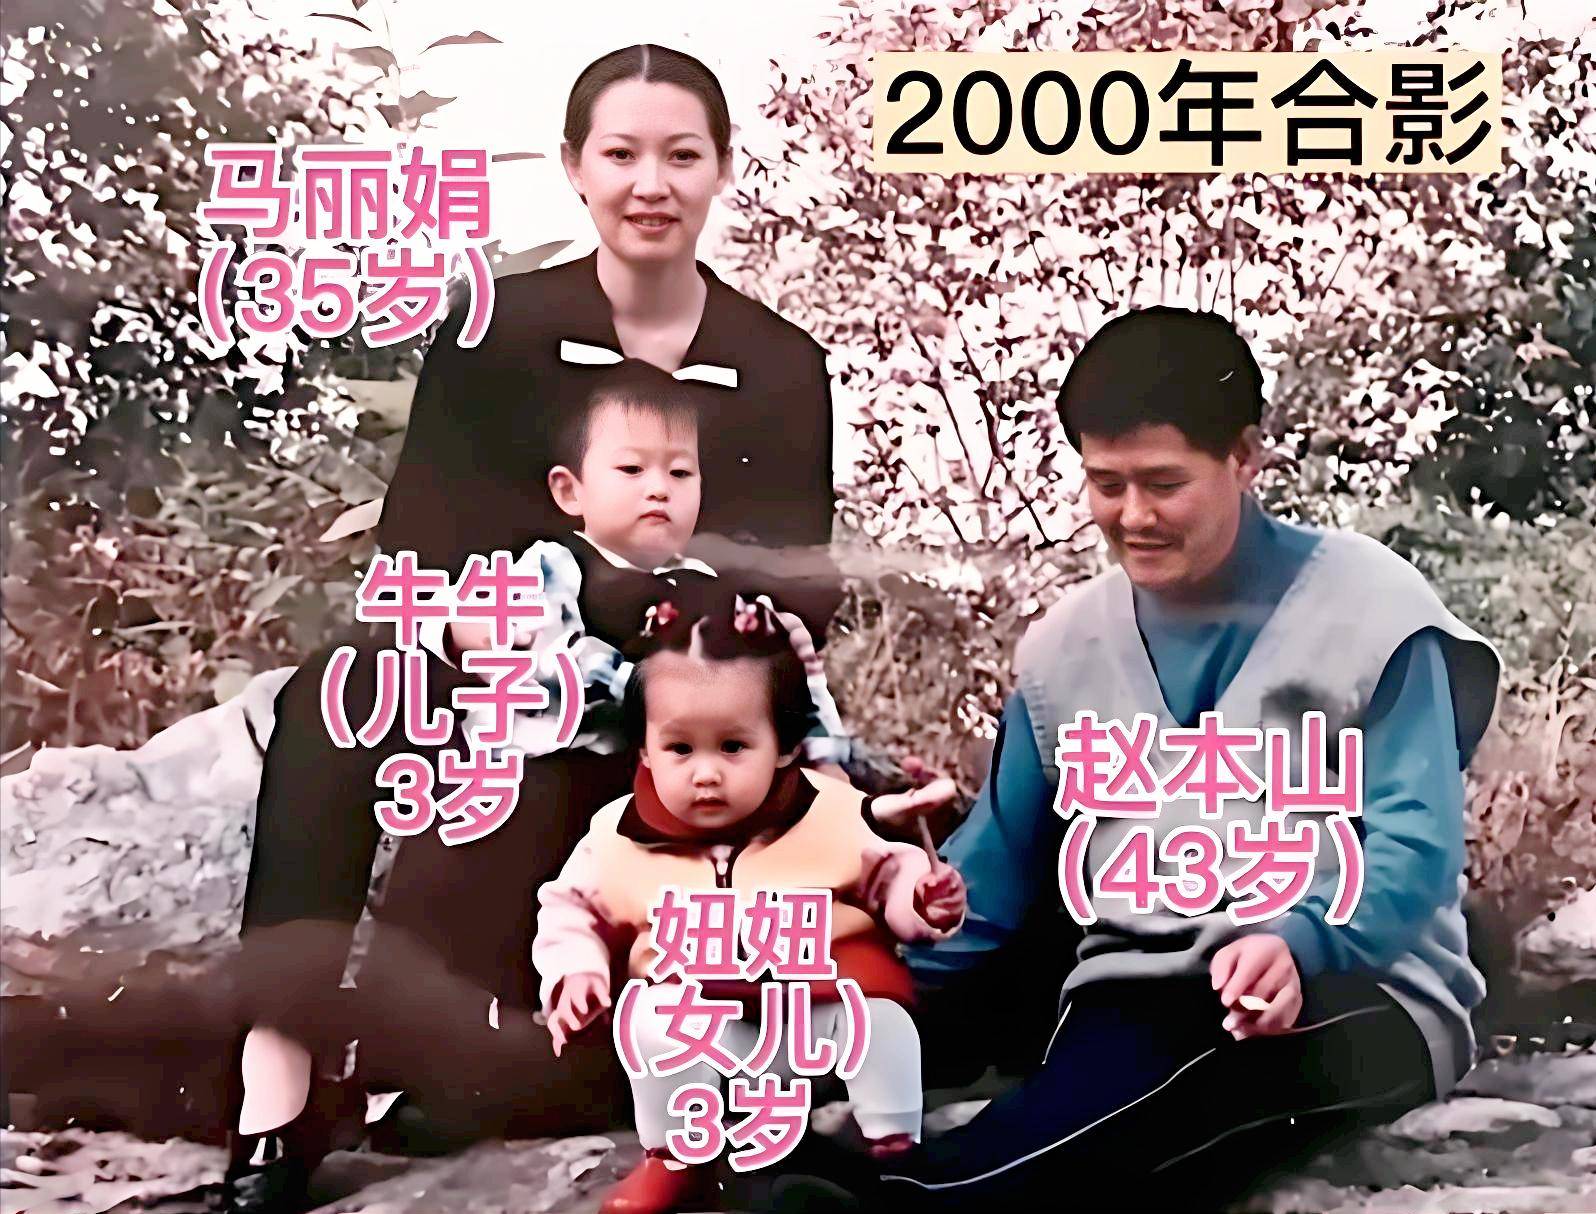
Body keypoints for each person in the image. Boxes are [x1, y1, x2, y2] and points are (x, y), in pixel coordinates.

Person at [225, 43, 849, 1214]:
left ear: (722, 169)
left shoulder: (779, 363)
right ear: (575, 166)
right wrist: (494, 629)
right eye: (621, 154)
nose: (650, 184)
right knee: (337, 692)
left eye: (682, 155)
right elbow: (417, 550)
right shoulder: (497, 329)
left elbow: (798, 581)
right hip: (500, 642)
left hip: (682, 670)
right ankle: (274, 1090)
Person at [773, 307, 1501, 1212]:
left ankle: (895, 1202)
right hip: (1133, 982)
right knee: (1097, 1075)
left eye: (1164, 483)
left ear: (1245, 457)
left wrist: (1301, 939)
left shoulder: (1372, 608)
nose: (1134, 516)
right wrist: (846, 985)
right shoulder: (1067, 648)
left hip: (1346, 987)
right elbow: (992, 883)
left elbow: (1414, 850)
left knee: (1180, 1086)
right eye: (1106, 483)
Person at [534, 601, 967, 1214]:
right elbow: (569, 908)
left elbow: (890, 875)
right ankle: (675, 1156)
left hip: (814, 1017)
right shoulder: (617, 835)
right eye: (680, 748)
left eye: (733, 746)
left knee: (883, 1022)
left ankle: (895, 1148)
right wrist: (576, 971)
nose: (706, 774)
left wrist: (923, 900)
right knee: (649, 1018)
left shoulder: (830, 813)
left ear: (784, 747)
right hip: (705, 1027)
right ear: (646, 751)